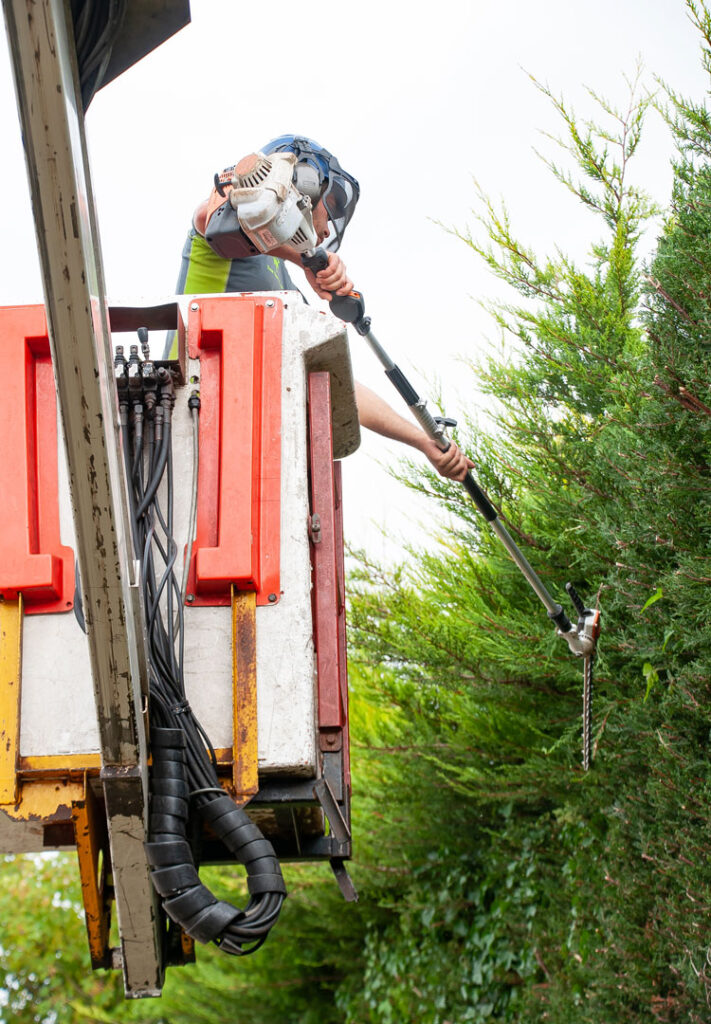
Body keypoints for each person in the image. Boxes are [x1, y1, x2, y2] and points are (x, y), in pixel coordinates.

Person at [167, 135, 473, 482]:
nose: (328, 229)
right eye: (332, 203)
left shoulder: (285, 291)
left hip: (242, 452)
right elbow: (212, 216)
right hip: (185, 425)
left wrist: (420, 440)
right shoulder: (223, 232)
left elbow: (334, 379)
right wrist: (305, 259)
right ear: (303, 185)